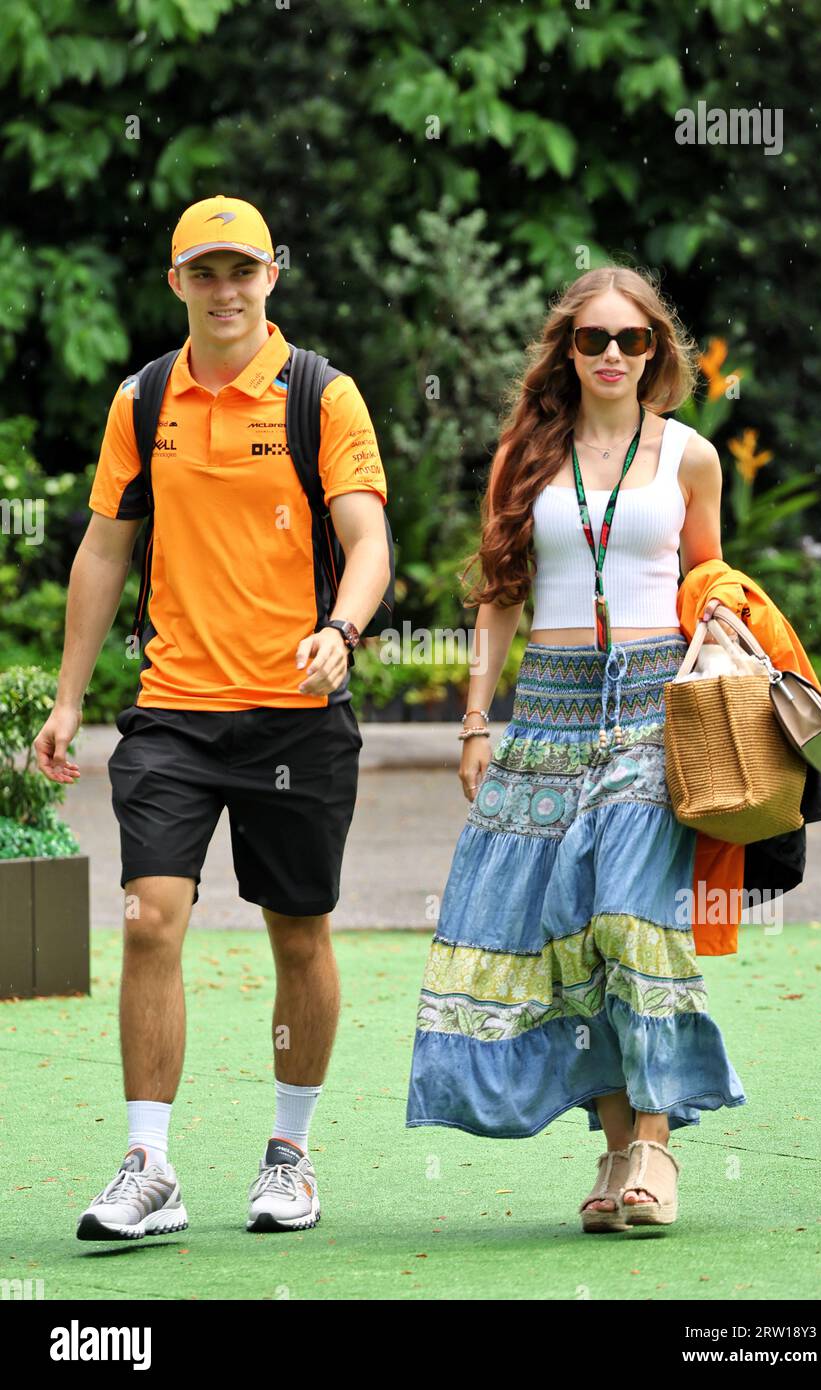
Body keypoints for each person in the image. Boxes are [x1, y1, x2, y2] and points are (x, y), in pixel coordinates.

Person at [33, 195, 391, 1239]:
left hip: (297, 711)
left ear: (271, 276)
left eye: (244, 270)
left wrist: (345, 628)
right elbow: (104, 551)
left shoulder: (323, 394)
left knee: (299, 933)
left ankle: (291, 1155)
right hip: (175, 712)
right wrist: (68, 697)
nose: (226, 290)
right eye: (205, 272)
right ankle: (149, 1164)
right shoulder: (144, 400)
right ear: (178, 282)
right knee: (150, 916)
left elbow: (367, 539)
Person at [405, 264, 746, 1231]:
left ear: (654, 353)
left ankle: (655, 1150)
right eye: (590, 339)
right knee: (565, 930)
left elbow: (706, 579)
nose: (608, 355)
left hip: (650, 708)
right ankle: (611, 1153)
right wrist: (477, 717)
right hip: (547, 714)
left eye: (628, 340)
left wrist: (720, 637)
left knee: (626, 909)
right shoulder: (527, 451)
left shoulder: (688, 456)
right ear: (566, 350)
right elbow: (500, 592)